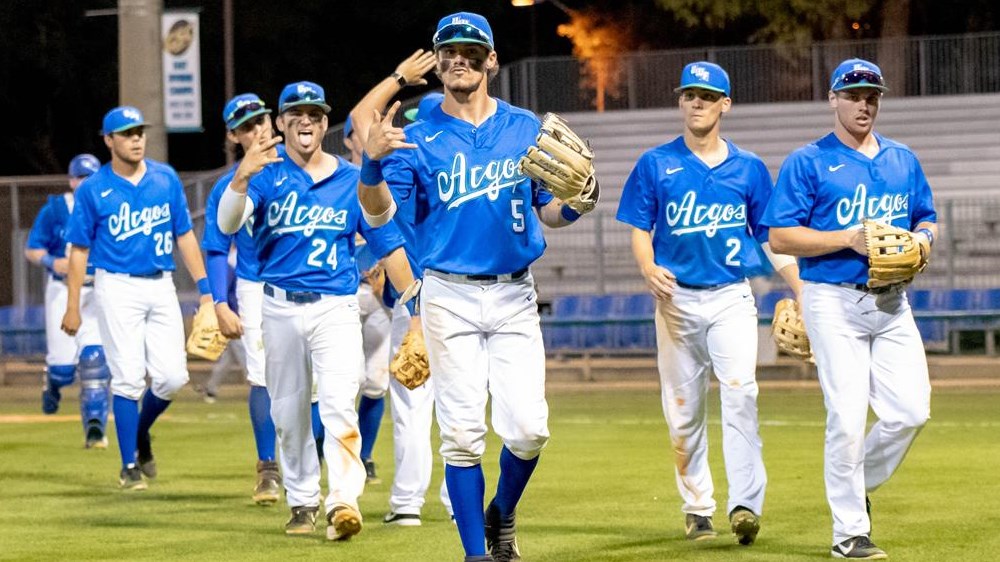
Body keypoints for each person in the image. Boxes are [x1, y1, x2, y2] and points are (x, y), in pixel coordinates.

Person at [357, 12, 594, 561]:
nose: (458, 59)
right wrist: (371, 165)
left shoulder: (524, 126)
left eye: (470, 49)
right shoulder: (415, 138)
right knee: (461, 434)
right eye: (448, 51)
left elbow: (549, 212)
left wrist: (580, 201)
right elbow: (379, 213)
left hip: (514, 292)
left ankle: (502, 511)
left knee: (530, 429)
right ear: (438, 63)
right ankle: (476, 554)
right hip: (447, 293)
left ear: (491, 60)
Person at [216, 80, 419, 541]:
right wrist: (243, 175)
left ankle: (343, 501)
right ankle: (302, 499)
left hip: (335, 306)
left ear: (325, 123)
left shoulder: (352, 178)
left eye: (314, 113)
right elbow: (227, 223)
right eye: (295, 114)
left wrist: (416, 303)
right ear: (281, 123)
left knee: (337, 405)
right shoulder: (265, 174)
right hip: (280, 307)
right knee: (287, 413)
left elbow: (385, 238)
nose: (305, 120)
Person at [616, 61, 801, 547]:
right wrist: (647, 266)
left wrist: (799, 289)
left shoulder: (750, 168)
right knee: (684, 411)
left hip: (730, 298)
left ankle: (745, 504)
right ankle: (698, 507)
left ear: (726, 104)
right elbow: (639, 227)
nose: (696, 102)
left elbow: (773, 237)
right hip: (676, 301)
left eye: (707, 95)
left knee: (741, 393)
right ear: (681, 102)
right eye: (689, 94)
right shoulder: (656, 163)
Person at [762, 58, 936, 560]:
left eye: (872, 95)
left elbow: (928, 218)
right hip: (831, 298)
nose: (864, 102)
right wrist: (847, 238)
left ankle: (855, 484)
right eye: (854, 93)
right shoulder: (809, 160)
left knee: (910, 411)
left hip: (891, 300)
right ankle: (849, 534)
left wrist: (923, 244)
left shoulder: (903, 158)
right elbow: (780, 235)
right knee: (845, 415)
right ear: (833, 99)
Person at [61, 106, 215, 489]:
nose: (136, 139)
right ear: (108, 140)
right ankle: (128, 465)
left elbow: (184, 235)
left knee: (173, 377)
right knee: (128, 379)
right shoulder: (94, 188)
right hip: (116, 285)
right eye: (127, 133)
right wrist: (72, 304)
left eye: (139, 132)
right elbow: (78, 250)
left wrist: (206, 290)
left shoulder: (164, 178)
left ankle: (139, 432)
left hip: (160, 283)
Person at [348, 55, 456, 526]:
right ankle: (459, 504)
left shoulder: (398, 160)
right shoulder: (460, 166)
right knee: (461, 406)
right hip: (462, 291)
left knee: (413, 404)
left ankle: (408, 504)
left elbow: (358, 119)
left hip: (411, 295)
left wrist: (396, 79)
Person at [201, 93, 282, 504]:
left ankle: (312, 459)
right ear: (234, 135)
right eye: (247, 125)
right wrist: (219, 302)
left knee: (324, 383)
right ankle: (268, 466)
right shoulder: (227, 186)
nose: (258, 129)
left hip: (316, 286)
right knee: (263, 376)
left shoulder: (303, 164)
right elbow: (216, 247)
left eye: (261, 120)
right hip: (255, 286)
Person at [25, 153, 110, 449]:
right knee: (63, 369)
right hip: (63, 289)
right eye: (82, 178)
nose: (87, 183)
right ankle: (53, 383)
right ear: (72, 180)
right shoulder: (56, 208)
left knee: (95, 358)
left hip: (98, 288)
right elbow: (32, 249)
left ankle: (95, 427)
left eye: (92, 178)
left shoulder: (109, 204)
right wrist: (52, 260)